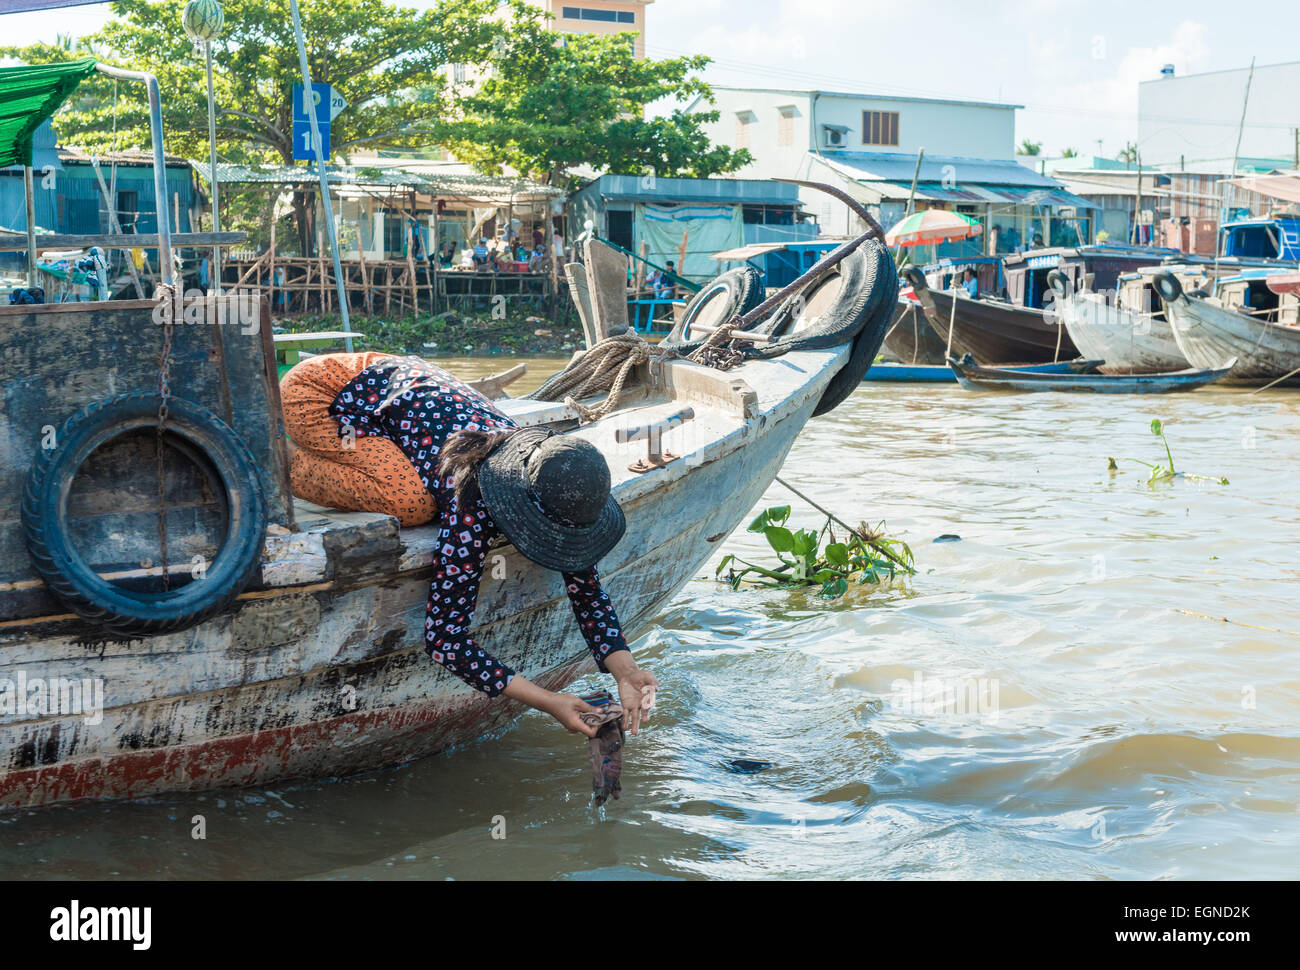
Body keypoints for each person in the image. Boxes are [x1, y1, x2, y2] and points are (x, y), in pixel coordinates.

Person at [279, 353, 658, 738]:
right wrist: (549, 701)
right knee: (411, 502)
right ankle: (281, 457)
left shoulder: (546, 477)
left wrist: (626, 673)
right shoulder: (473, 497)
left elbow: (586, 589)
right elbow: (444, 638)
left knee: (417, 491)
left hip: (387, 384)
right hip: (318, 393)